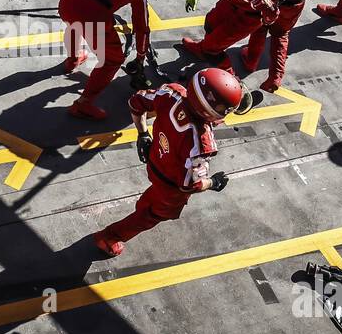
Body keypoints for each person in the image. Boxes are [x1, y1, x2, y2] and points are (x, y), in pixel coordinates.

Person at [91, 68, 243, 257]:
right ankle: (109, 237)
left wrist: (143, 133)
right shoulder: (202, 144)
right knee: (150, 216)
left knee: (150, 198)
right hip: (170, 188)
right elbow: (190, 185)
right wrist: (213, 182)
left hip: (155, 159)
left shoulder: (170, 92)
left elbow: (135, 103)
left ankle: (145, 204)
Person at [56, 0, 151, 120]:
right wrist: (140, 55)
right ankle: (83, 104)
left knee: (73, 23)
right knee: (112, 60)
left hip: (69, 1)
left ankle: (73, 59)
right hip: (95, 15)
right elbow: (141, 26)